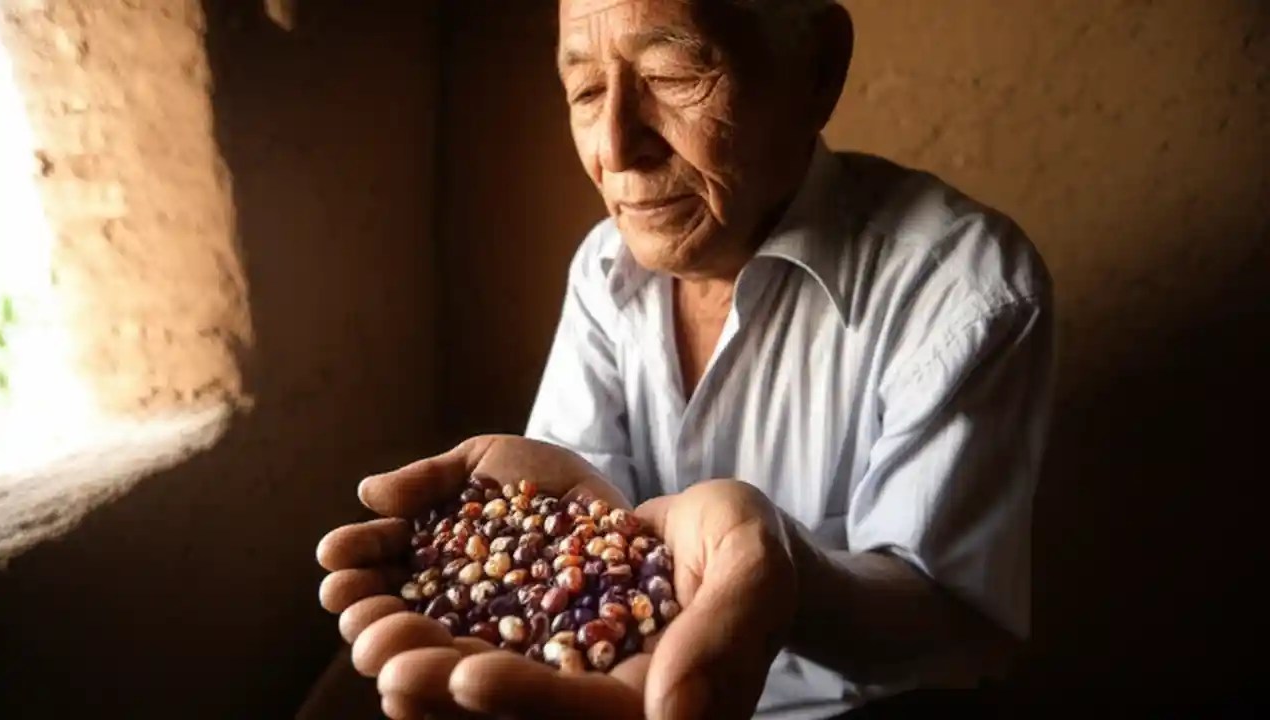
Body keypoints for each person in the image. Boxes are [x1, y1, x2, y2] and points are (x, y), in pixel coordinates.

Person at [315, 0, 1055, 717]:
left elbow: (957, 632)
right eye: (585, 90)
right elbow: (578, 522)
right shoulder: (607, 266)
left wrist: (782, 576)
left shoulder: (965, 291)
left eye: (671, 76)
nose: (614, 147)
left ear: (818, 68)